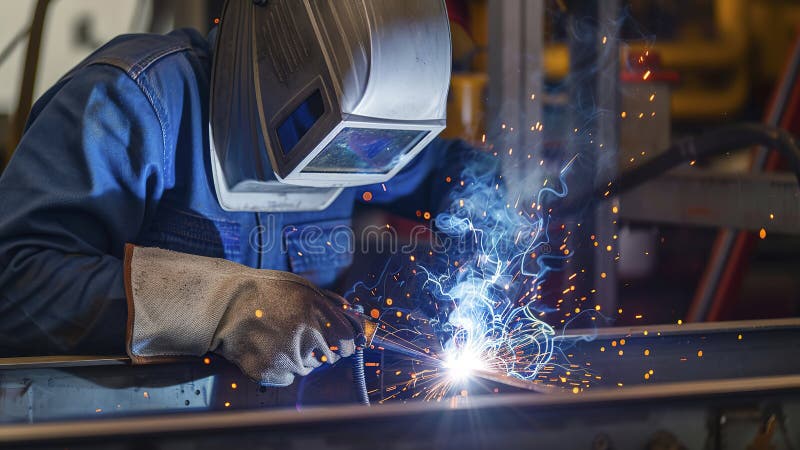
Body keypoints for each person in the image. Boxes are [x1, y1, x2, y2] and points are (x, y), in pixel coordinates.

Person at [0, 0, 459, 387]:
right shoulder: (134, 102)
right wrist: (226, 305)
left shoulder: (367, 131)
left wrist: (503, 201)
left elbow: (441, 173)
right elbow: (16, 280)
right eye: (330, 131)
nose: (355, 158)